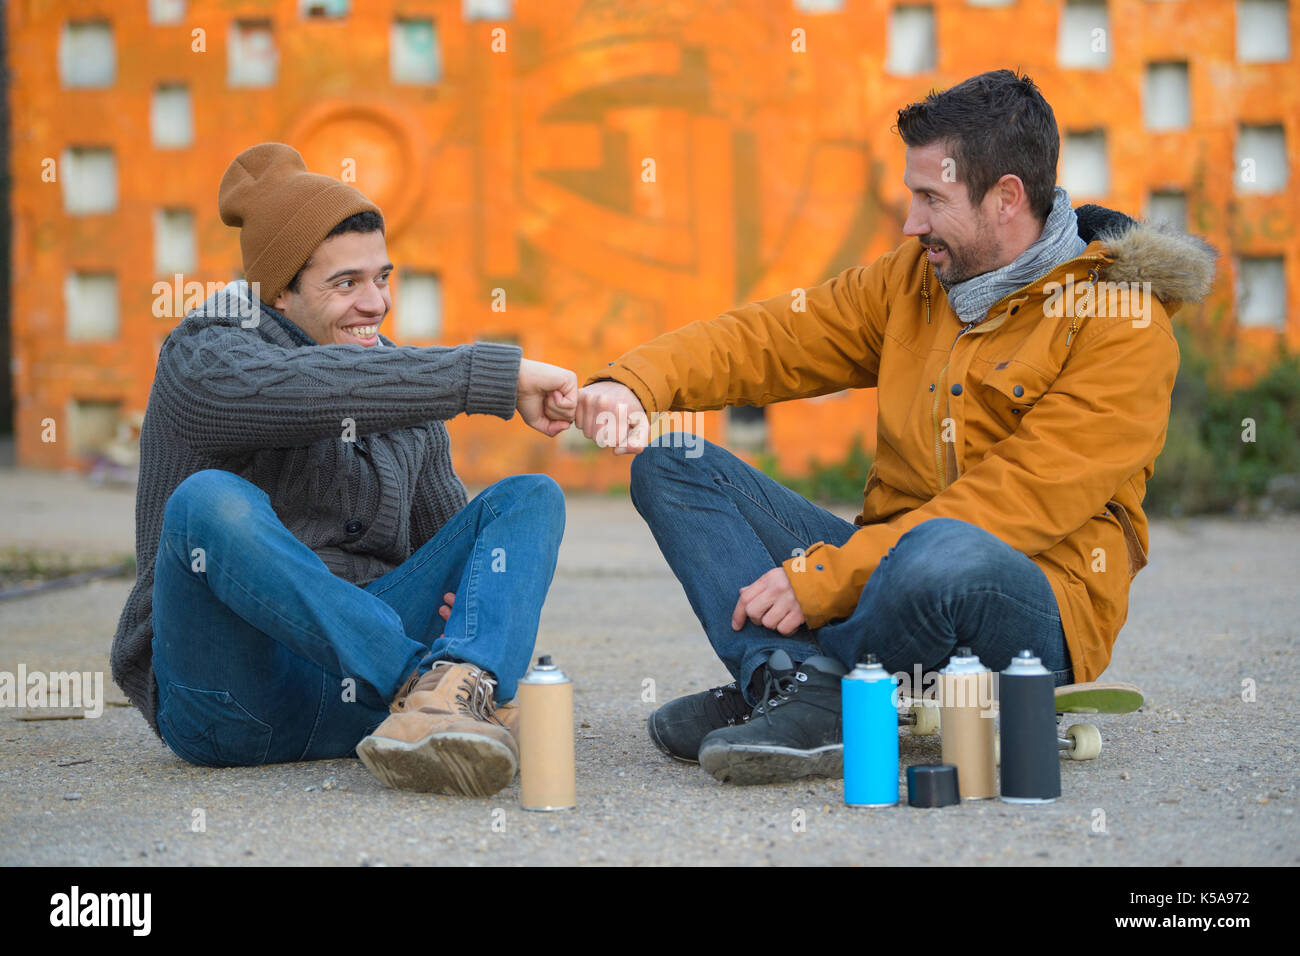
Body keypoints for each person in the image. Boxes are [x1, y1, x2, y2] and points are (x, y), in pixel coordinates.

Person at [574, 70, 1217, 785]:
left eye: (930, 199)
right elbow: (778, 338)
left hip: (1027, 603)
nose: (911, 222)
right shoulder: (911, 281)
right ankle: (785, 683)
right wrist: (634, 380)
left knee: (946, 549)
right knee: (673, 463)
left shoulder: (1123, 324)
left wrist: (827, 575)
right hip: (887, 570)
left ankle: (834, 697)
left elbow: (1018, 502)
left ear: (1005, 198)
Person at [110, 143, 576, 797]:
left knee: (529, 497)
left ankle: (452, 695)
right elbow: (304, 387)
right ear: (278, 291)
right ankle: (429, 686)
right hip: (233, 699)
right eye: (346, 283)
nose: (376, 303)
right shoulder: (205, 356)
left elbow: (454, 549)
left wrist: (466, 612)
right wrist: (490, 376)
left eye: (382, 277)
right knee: (206, 501)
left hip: (371, 700)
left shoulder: (400, 384)